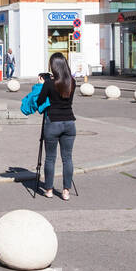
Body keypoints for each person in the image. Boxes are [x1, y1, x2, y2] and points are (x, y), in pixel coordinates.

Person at [38, 51, 77, 201]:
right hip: (69, 123)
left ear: (53, 67)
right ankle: (66, 191)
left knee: (50, 158)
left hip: (53, 122)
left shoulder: (49, 83)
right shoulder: (72, 82)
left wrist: (42, 86)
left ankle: (48, 189)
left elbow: (40, 102)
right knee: (67, 158)